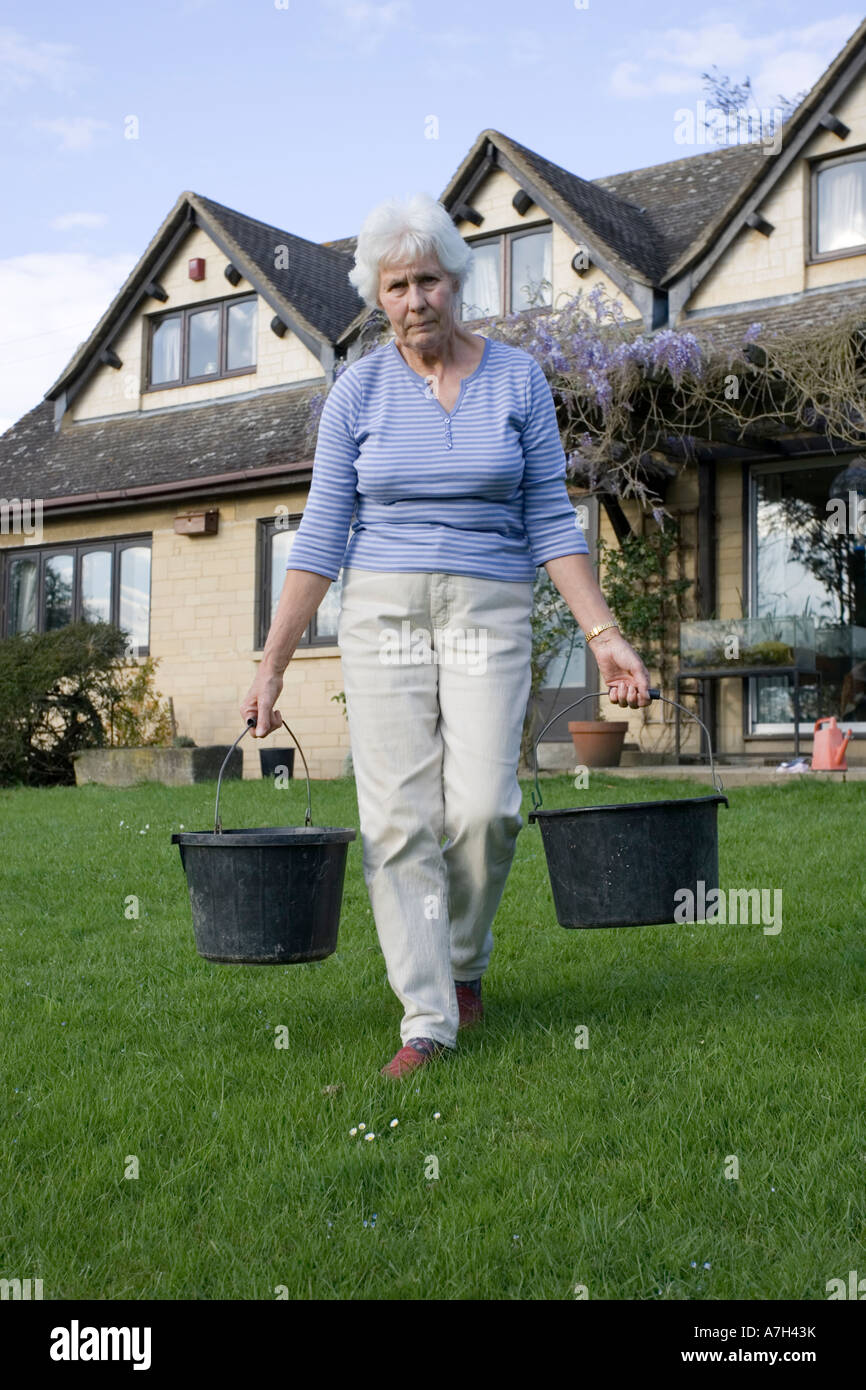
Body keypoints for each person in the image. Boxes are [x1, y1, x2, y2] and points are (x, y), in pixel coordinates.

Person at [241, 192, 651, 1079]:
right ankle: (428, 1016)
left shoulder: (516, 381)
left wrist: (606, 632)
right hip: (382, 607)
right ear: (376, 297)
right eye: (396, 286)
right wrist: (271, 664)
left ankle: (463, 961)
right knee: (396, 817)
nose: (415, 299)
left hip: (488, 605)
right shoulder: (357, 391)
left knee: (483, 810)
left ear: (455, 282)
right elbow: (318, 537)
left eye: (429, 279)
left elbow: (550, 515)